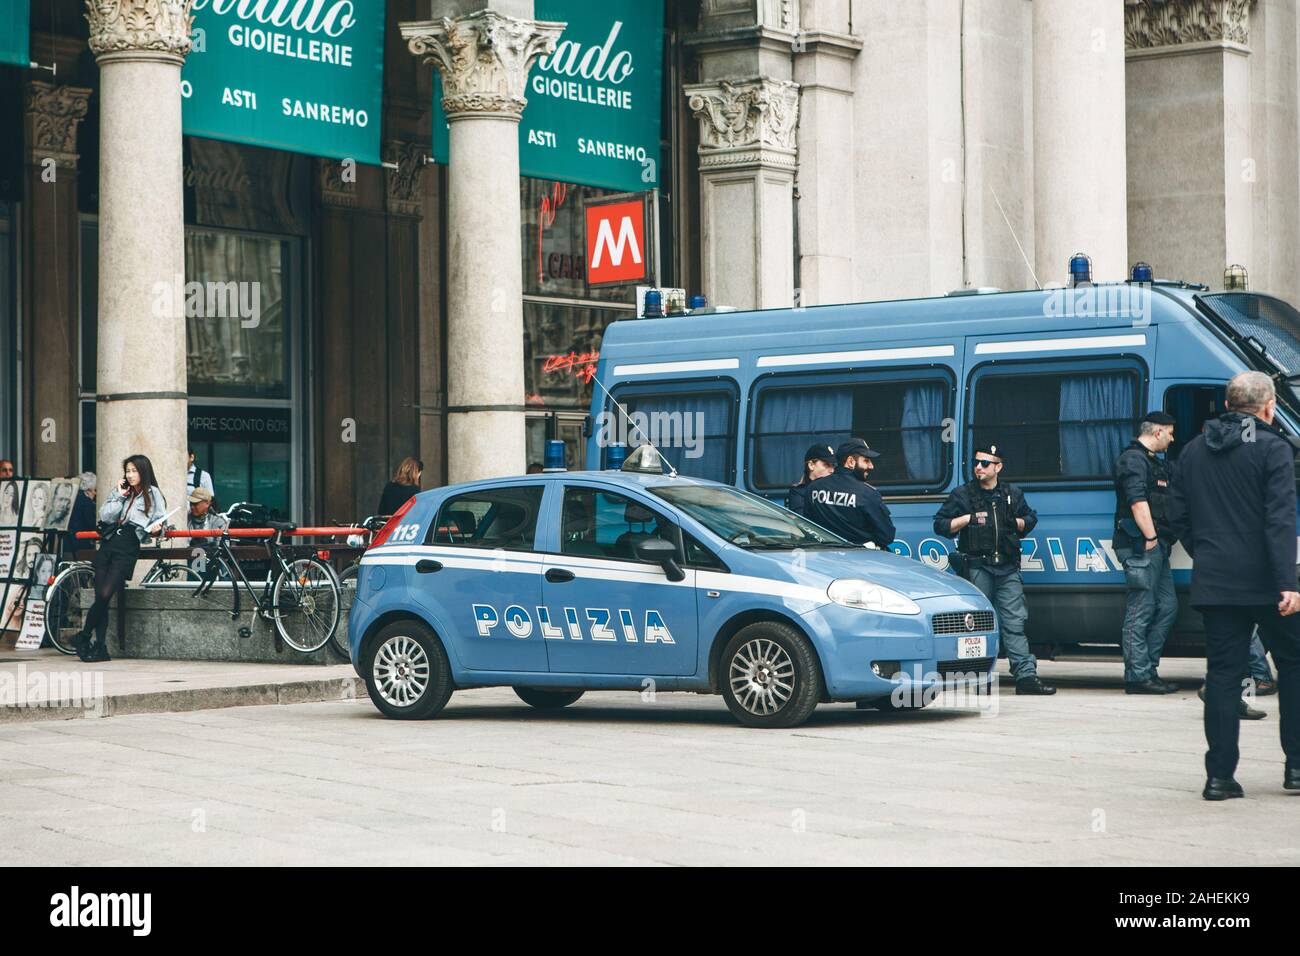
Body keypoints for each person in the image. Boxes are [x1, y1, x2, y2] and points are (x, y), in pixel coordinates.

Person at [1167, 371, 1300, 800]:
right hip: (1267, 583)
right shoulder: (1273, 449)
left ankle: (1219, 778)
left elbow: (1178, 516)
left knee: (1223, 677)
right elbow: (1279, 520)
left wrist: (1206, 551)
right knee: (1294, 667)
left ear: (1227, 406)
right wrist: (1288, 581)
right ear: (1268, 407)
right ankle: (1297, 768)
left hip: (1217, 582)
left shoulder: (1191, 452)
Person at [933, 443, 1055, 695]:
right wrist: (968, 519)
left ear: (998, 467)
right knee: (977, 627)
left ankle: (1026, 677)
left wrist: (1017, 522)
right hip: (978, 568)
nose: (978, 467)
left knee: (1014, 623)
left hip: (1008, 568)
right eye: (976, 462)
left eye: (985, 463)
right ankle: (979, 677)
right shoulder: (963, 494)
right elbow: (941, 525)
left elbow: (1030, 519)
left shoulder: (1012, 494)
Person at [72, 455, 167, 664]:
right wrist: (120, 496)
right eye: (128, 471)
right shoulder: (121, 492)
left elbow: (162, 524)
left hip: (127, 548)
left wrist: (156, 530)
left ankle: (85, 636)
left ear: (144, 471)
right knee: (100, 597)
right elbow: (105, 516)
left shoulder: (154, 494)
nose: (130, 475)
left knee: (105, 594)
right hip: (108, 545)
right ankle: (100, 648)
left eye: (134, 470)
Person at [1112, 410, 1181, 694]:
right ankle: (1137, 677)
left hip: (1158, 545)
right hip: (1141, 545)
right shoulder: (1133, 460)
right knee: (1141, 609)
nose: (1173, 437)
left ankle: (1148, 669)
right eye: (1170, 432)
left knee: (1167, 606)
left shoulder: (1155, 463)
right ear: (1157, 432)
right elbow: (1137, 502)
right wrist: (1151, 536)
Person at [803, 438, 896, 549]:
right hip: (860, 560)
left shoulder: (813, 488)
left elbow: (807, 528)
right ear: (851, 461)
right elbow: (887, 536)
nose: (871, 466)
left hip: (825, 559)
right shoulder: (867, 493)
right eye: (866, 461)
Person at [786, 443, 836, 516]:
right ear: (811, 465)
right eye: (826, 465)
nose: (832, 470)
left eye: (833, 465)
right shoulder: (798, 492)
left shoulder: (836, 490)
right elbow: (802, 521)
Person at [63, 472, 98, 558]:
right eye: (95, 490)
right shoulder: (86, 503)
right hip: (81, 546)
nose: (96, 494)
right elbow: (92, 524)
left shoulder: (72, 499)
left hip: (67, 544)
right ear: (89, 489)